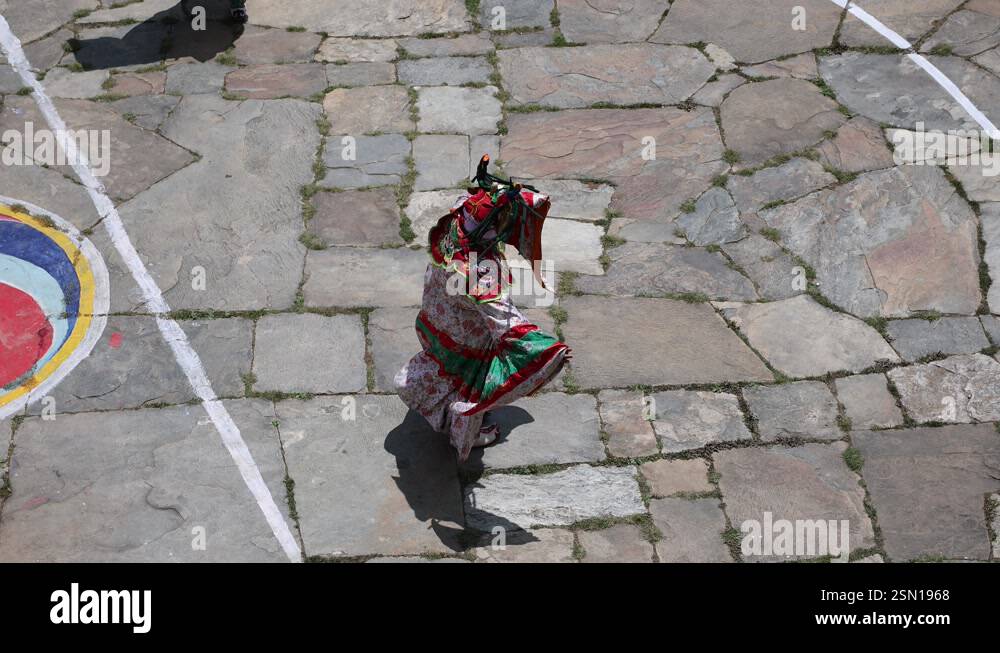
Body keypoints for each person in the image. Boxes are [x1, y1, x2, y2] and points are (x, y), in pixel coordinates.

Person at [395, 155, 571, 462]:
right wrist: (547, 350)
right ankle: (468, 431)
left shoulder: (459, 222)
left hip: (438, 317)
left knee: (444, 368)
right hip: (469, 337)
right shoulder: (481, 273)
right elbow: (506, 323)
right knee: (472, 383)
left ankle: (435, 405)